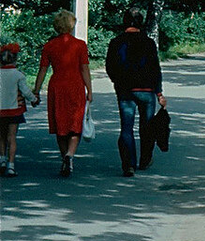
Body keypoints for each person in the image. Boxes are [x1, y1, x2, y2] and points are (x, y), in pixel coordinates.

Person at [105, 9, 168, 176]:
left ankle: (129, 165)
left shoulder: (116, 42)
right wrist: (159, 93)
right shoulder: (148, 43)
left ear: (124, 22)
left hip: (125, 91)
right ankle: (145, 159)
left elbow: (109, 67)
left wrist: (117, 81)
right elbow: (155, 69)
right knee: (147, 127)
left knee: (126, 127)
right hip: (147, 91)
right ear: (141, 22)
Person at [32, 10, 93, 177]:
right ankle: (70, 155)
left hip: (57, 86)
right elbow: (84, 68)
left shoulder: (49, 46)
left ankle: (64, 157)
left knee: (60, 124)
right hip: (75, 86)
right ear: (71, 25)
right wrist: (90, 89)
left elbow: (43, 70)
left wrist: (36, 91)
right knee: (75, 124)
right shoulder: (80, 45)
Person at [1, 43, 38, 177]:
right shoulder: (18, 75)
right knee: (12, 137)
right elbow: (26, 92)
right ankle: (11, 165)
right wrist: (34, 99)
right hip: (14, 109)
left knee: (1, 137)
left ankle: (2, 160)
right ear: (15, 59)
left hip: (0, 110)